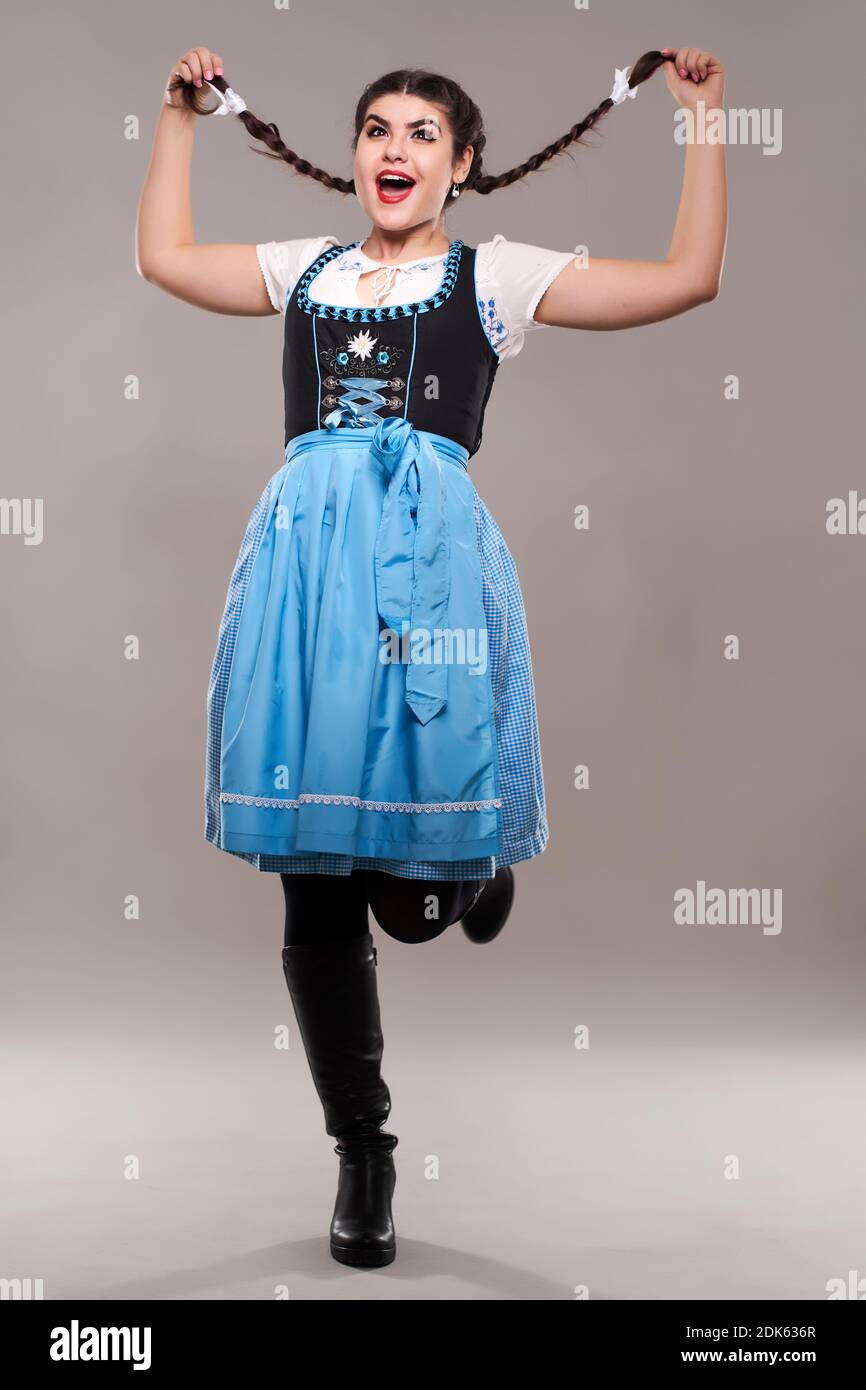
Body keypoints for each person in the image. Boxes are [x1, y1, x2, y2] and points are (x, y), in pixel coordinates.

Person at [135, 44, 727, 1268]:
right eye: (374, 129)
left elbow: (687, 280)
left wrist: (706, 124)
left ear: (460, 167)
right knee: (314, 876)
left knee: (408, 909)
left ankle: (470, 868)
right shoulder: (307, 268)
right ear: (354, 157)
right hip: (308, 585)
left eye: (419, 134)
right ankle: (364, 1149)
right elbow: (162, 259)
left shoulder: (492, 276)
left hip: (432, 585)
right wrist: (177, 125)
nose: (392, 149)